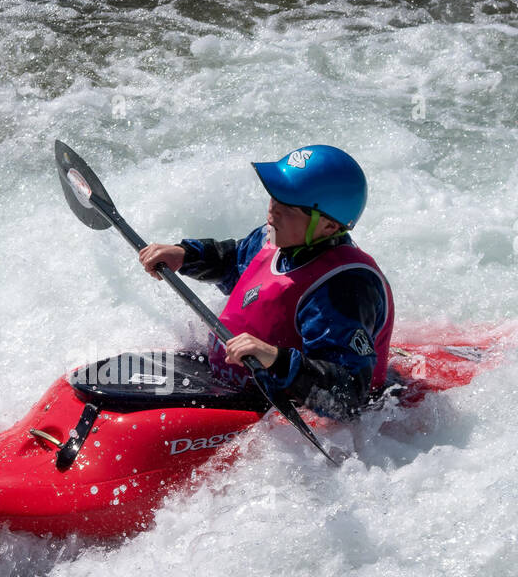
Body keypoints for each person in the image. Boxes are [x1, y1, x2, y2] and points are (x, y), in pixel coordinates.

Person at [138, 145, 394, 420]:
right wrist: (187, 256)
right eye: (274, 195)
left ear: (329, 226)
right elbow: (235, 261)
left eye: (290, 204)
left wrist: (274, 358)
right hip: (237, 385)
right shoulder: (275, 238)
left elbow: (347, 396)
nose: (273, 209)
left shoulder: (342, 289)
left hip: (294, 410)